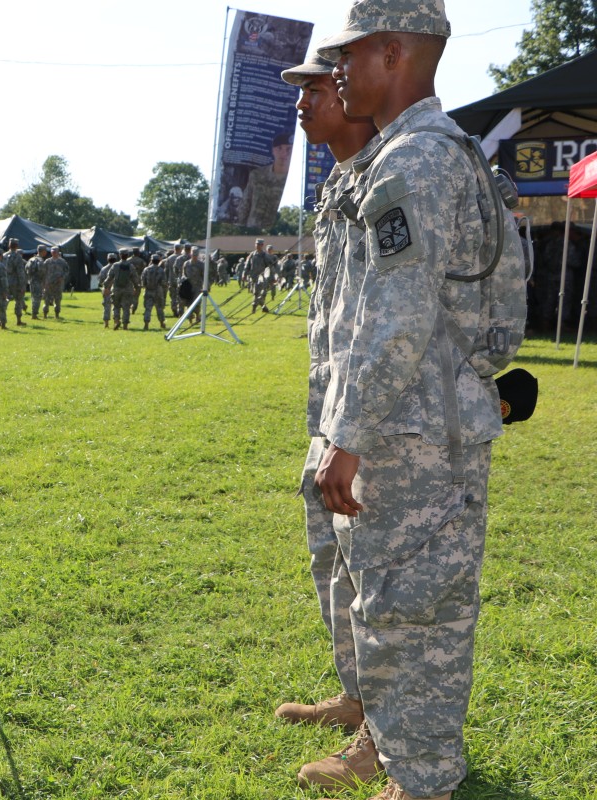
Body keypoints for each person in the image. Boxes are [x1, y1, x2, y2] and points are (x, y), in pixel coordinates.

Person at [298, 4, 509, 798]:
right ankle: (387, 748)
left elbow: (400, 315)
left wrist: (346, 431)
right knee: (386, 602)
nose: (337, 69)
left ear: (395, 51)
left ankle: (421, 781)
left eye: (350, 55)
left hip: (417, 430)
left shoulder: (417, 162)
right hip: (403, 420)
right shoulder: (402, 156)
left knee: (415, 611)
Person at [270, 44, 380, 788]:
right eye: (299, 91)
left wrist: (358, 429)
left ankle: (385, 734)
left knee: (379, 578)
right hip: (330, 414)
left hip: (372, 422)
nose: (302, 103)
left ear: (355, 89)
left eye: (315, 89)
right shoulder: (339, 183)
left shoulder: (395, 176)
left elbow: (394, 320)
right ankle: (355, 694)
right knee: (334, 564)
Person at [242, 131, 294, 229]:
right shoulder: (257, 175)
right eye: (279, 148)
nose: (284, 153)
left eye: (289, 149)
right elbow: (245, 205)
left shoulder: (293, 179)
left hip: (280, 231)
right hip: (252, 229)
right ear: (273, 150)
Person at [103, 248, 140, 330]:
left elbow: (109, 277)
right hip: (127, 289)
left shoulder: (115, 265)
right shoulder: (131, 266)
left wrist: (105, 287)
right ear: (127, 255)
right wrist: (136, 288)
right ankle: (125, 326)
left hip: (116, 289)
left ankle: (116, 321)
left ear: (120, 255)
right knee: (126, 307)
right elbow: (135, 278)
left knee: (116, 306)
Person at [244, 238, 273, 313]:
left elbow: (270, 266)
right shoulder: (252, 254)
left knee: (256, 293)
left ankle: (253, 308)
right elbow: (247, 265)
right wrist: (244, 274)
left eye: (259, 244)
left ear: (262, 245)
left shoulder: (265, 255)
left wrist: (271, 277)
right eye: (256, 244)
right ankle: (264, 307)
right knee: (256, 293)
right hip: (253, 277)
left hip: (262, 277)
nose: (257, 246)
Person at [141, 252, 168, 330]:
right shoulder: (161, 270)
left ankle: (146, 324)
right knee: (159, 308)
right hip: (158, 291)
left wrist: (146, 286)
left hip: (148, 291)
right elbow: (164, 282)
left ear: (151, 260)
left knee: (148, 308)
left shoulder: (146, 269)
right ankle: (162, 323)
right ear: (158, 261)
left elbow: (143, 281)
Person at [4, 237, 28, 326]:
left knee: (4, 300)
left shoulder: (4, 255)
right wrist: (22, 285)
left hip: (5, 282)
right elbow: (20, 272)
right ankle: (18, 320)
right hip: (15, 283)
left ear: (9, 245)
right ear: (17, 246)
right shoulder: (18, 257)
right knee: (18, 300)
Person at [42, 246, 69, 318]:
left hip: (58, 284)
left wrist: (62, 277)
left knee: (57, 299)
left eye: (55, 251)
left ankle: (57, 314)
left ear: (58, 252)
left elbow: (67, 271)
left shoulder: (62, 262)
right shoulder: (47, 261)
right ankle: (45, 314)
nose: (54, 253)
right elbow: (43, 272)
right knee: (46, 299)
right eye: (52, 251)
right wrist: (44, 283)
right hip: (49, 283)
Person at [26, 244, 48, 319]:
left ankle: (33, 313)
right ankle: (34, 314)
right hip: (38, 281)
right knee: (37, 298)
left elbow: (26, 268)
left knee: (33, 297)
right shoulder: (40, 261)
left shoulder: (31, 259)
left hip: (31, 281)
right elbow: (42, 272)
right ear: (43, 251)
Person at [97, 252, 117, 328]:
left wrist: (105, 288)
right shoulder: (118, 268)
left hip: (106, 290)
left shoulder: (104, 269)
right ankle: (116, 321)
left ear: (107, 259)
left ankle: (106, 323)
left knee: (106, 307)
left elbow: (100, 280)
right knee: (116, 306)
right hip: (116, 289)